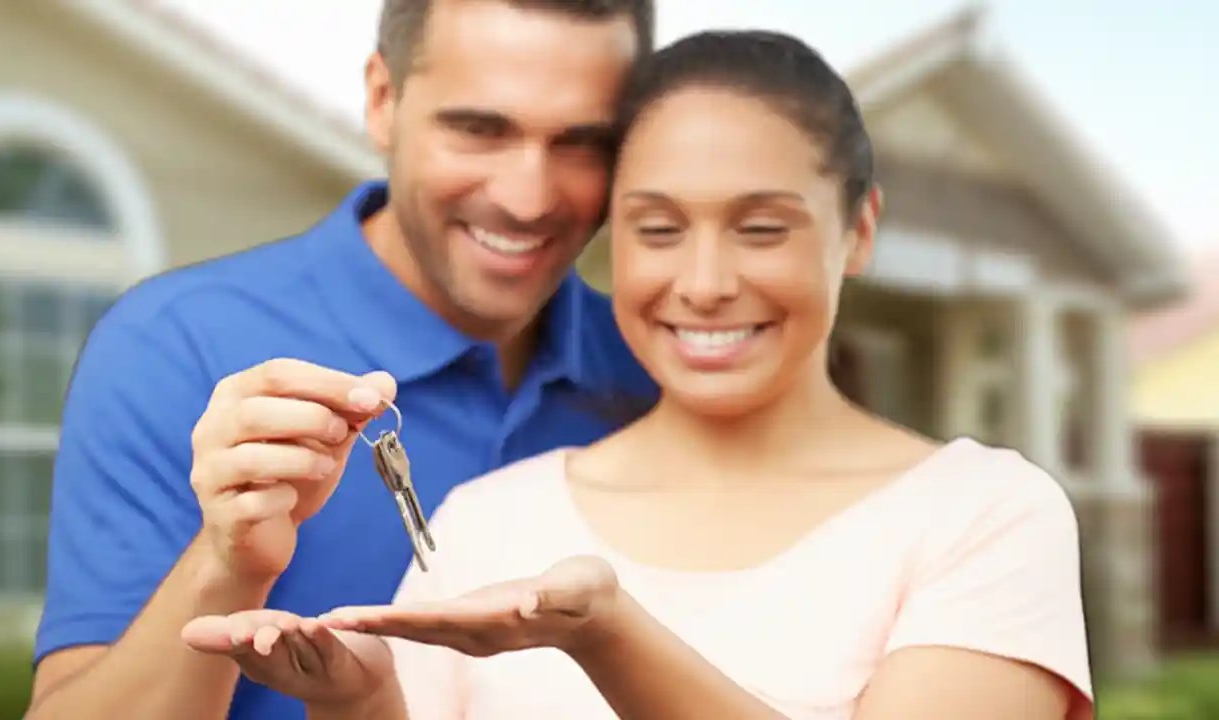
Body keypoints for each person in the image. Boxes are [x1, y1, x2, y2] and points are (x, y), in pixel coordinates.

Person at [182, 28, 1096, 720]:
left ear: (857, 230)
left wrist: (610, 639)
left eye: (762, 228)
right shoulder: (490, 519)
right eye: (658, 230)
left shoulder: (983, 514)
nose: (703, 285)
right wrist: (358, 706)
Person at [25, 2, 658, 719]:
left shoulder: (656, 370)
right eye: (479, 129)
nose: (528, 197)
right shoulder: (171, 347)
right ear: (383, 101)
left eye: (582, 142)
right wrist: (226, 565)